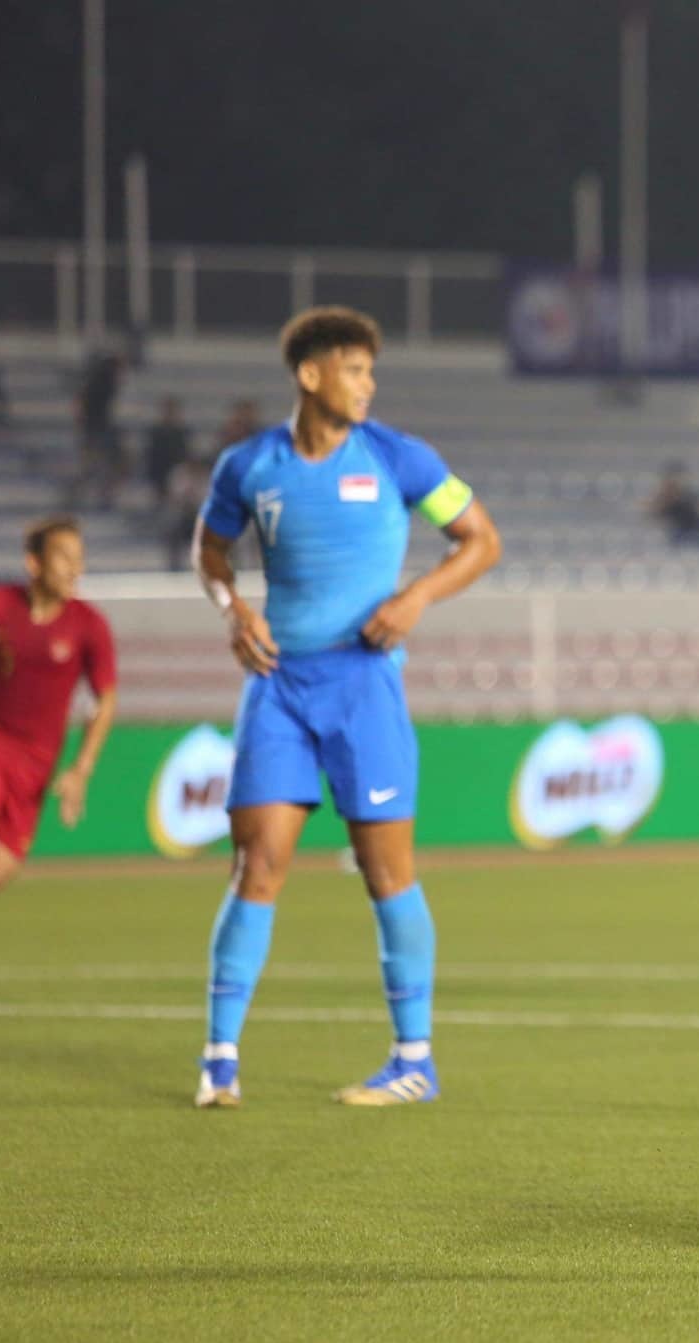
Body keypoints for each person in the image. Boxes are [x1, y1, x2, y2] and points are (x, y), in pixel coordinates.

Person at [189, 306, 501, 1109]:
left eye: (370, 372)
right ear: (310, 374)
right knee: (255, 863)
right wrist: (232, 607)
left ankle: (414, 1061)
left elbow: (480, 540)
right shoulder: (248, 465)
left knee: (385, 870)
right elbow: (211, 548)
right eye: (355, 369)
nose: (368, 385)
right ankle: (218, 1060)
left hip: (365, 688)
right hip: (278, 687)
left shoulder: (398, 457)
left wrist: (416, 597)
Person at [0, 516, 118, 990]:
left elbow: (106, 700)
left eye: (80, 558)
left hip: (37, 762)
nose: (75, 568)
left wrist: (81, 769)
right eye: (65, 557)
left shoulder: (89, 627)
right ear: (33, 562)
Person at [70, 347, 127, 508]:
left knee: (95, 465)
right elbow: (81, 405)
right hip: (97, 429)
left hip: (98, 428)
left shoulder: (99, 383)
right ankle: (97, 494)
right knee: (97, 464)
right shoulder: (102, 383)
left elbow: (80, 404)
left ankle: (93, 493)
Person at [144, 396, 193, 500]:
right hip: (158, 473)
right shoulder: (155, 433)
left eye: (172, 411)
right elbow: (151, 458)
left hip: (177, 474)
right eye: (167, 411)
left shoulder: (182, 434)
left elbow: (184, 457)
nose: (170, 414)